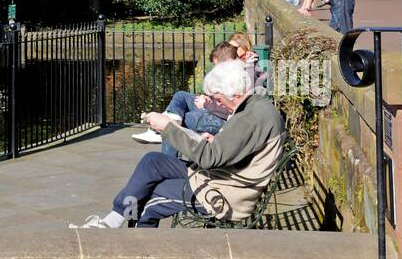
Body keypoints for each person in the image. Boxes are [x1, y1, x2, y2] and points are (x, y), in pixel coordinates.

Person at [74, 60, 287, 228]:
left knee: (148, 198)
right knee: (152, 162)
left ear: (237, 94)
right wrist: (212, 139)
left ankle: (138, 253)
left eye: (218, 99)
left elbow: (209, 158)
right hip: (219, 176)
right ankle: (113, 220)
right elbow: (232, 148)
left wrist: (168, 127)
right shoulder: (256, 108)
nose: (217, 104)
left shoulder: (250, 117)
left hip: (224, 194)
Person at [131, 41, 238, 145]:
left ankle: (161, 133)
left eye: (217, 65)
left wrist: (205, 104)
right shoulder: (229, 73)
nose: (215, 68)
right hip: (213, 109)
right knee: (180, 95)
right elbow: (220, 98)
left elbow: (231, 109)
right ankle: (166, 125)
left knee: (179, 122)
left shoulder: (239, 78)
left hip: (221, 119)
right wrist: (207, 98)